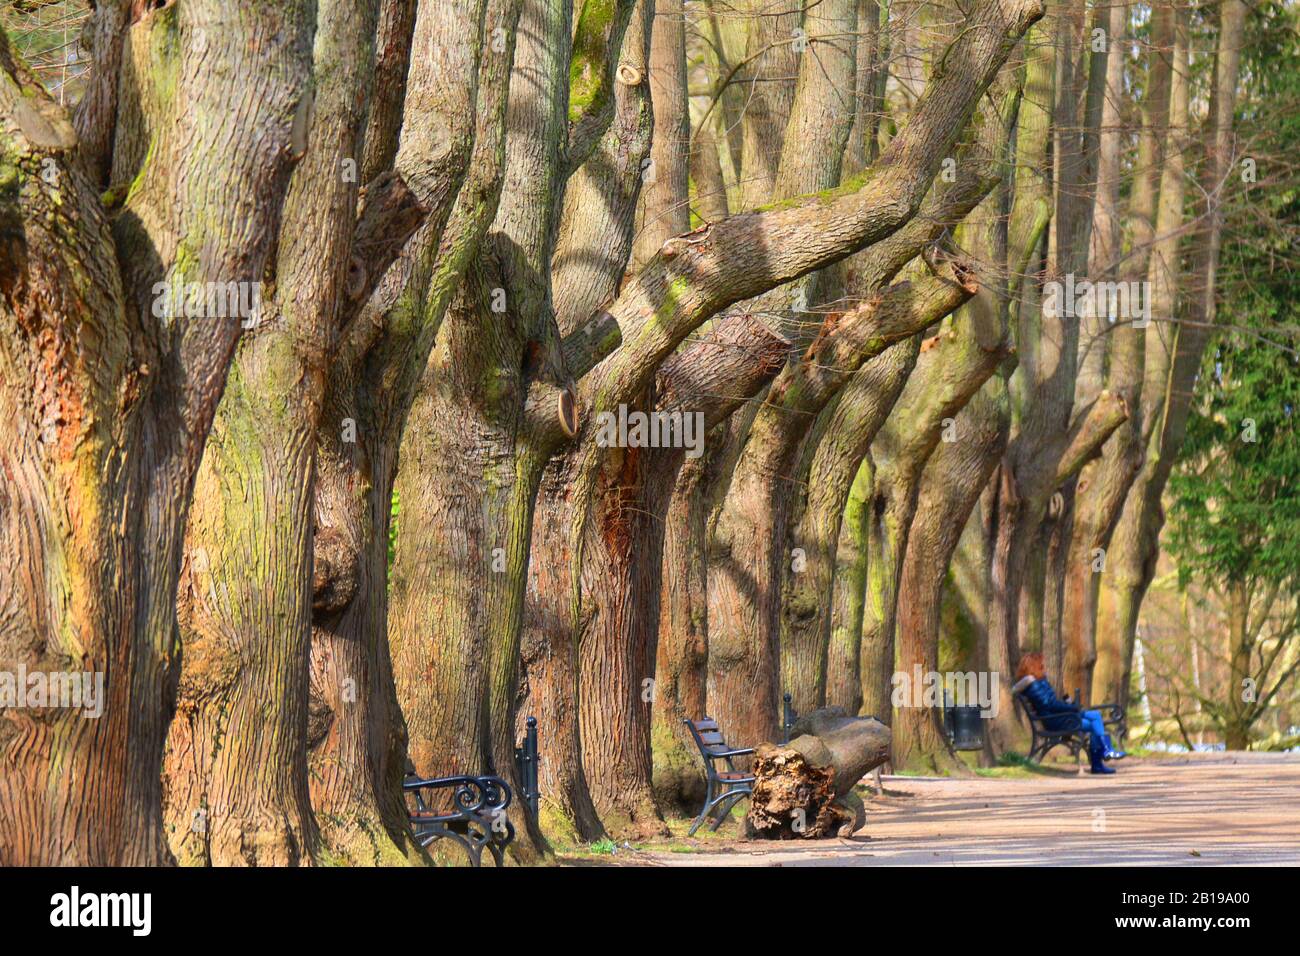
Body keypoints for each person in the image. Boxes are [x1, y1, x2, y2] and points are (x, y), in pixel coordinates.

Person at [1013, 653, 1125, 774]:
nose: (1043, 667)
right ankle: (1102, 758)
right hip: (1055, 721)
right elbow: (1049, 704)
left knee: (1095, 716)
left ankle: (1106, 753)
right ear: (1033, 666)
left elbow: (1051, 703)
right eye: (1041, 665)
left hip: (1058, 717)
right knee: (1094, 722)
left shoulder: (1038, 682)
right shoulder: (1034, 684)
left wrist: (1072, 707)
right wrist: (1072, 708)